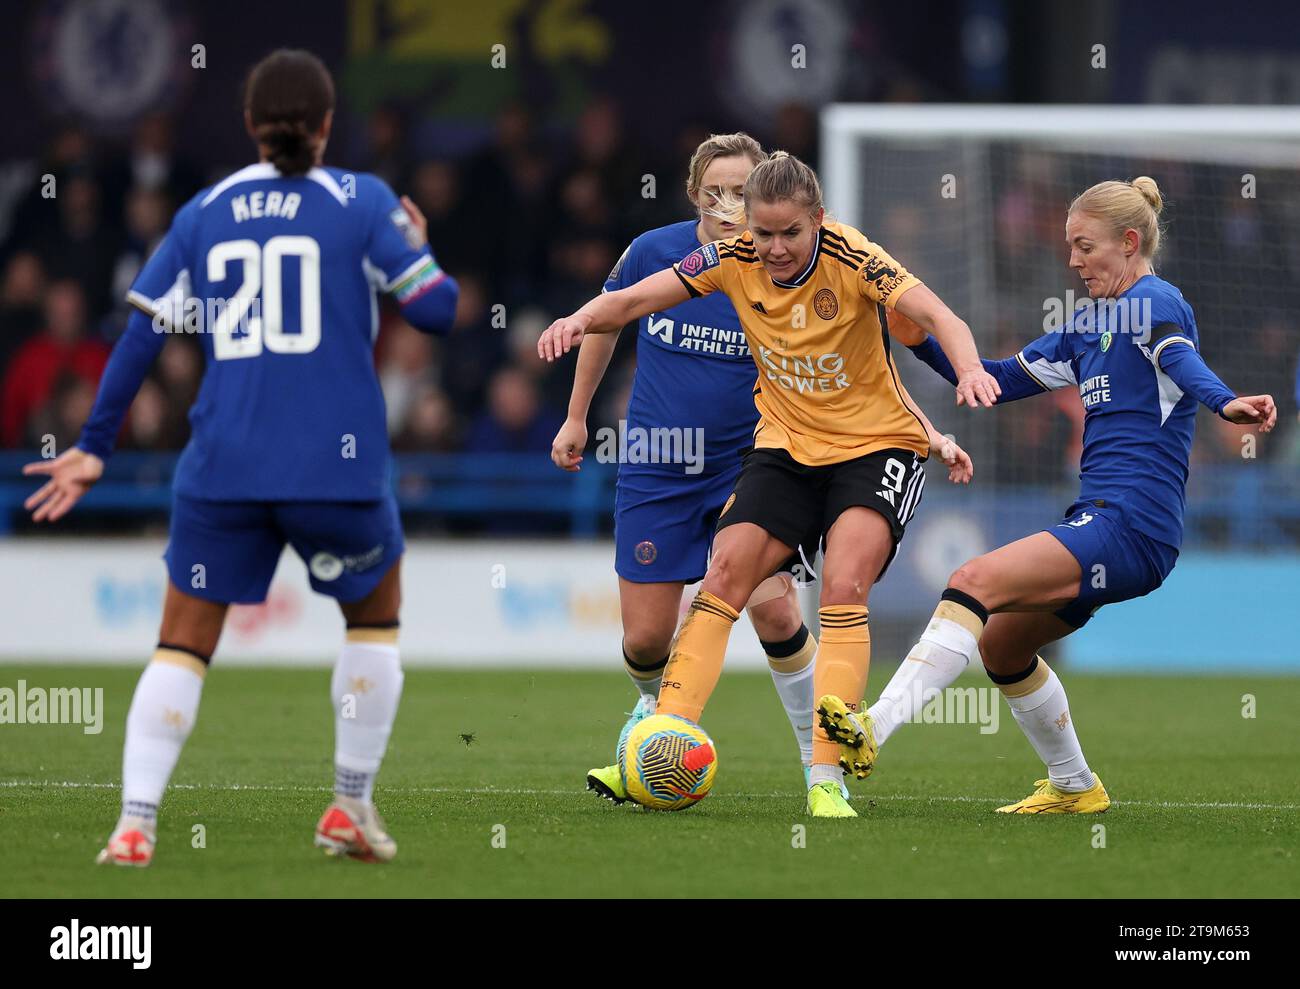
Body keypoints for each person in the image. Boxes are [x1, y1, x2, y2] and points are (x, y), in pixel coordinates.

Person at [23, 49, 459, 864]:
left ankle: (135, 820)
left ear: (249, 127)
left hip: (224, 463)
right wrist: (421, 252)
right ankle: (349, 806)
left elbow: (139, 335)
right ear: (328, 126)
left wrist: (91, 447)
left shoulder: (203, 211)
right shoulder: (361, 200)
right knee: (374, 619)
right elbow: (437, 311)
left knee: (181, 643)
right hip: (338, 466)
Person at [539, 151, 992, 817]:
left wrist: (972, 371)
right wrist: (580, 318)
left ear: (818, 221)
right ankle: (662, 738)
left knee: (842, 582)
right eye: (763, 233)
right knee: (725, 575)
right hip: (787, 448)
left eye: (791, 233)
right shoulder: (728, 258)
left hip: (876, 448)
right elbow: (636, 299)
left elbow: (941, 319)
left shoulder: (856, 257)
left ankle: (825, 777)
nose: (776, 248)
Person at [832, 176, 1277, 813]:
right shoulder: (1085, 329)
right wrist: (918, 339)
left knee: (973, 579)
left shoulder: (1155, 303)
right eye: (1069, 245)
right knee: (1002, 645)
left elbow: (1182, 361)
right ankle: (1076, 786)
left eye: (1084, 245)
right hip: (1106, 523)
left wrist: (1225, 402)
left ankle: (874, 728)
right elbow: (992, 381)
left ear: (1129, 243)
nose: (1072, 259)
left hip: (1132, 525)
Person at [551, 134, 830, 801]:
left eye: (743, 190)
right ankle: (653, 727)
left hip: (750, 466)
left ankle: (820, 762)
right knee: (646, 637)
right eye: (718, 190)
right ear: (695, 193)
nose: (730, 202)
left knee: (776, 611)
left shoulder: (781, 263)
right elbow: (606, 323)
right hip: (657, 464)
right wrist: (575, 416)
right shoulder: (653, 252)